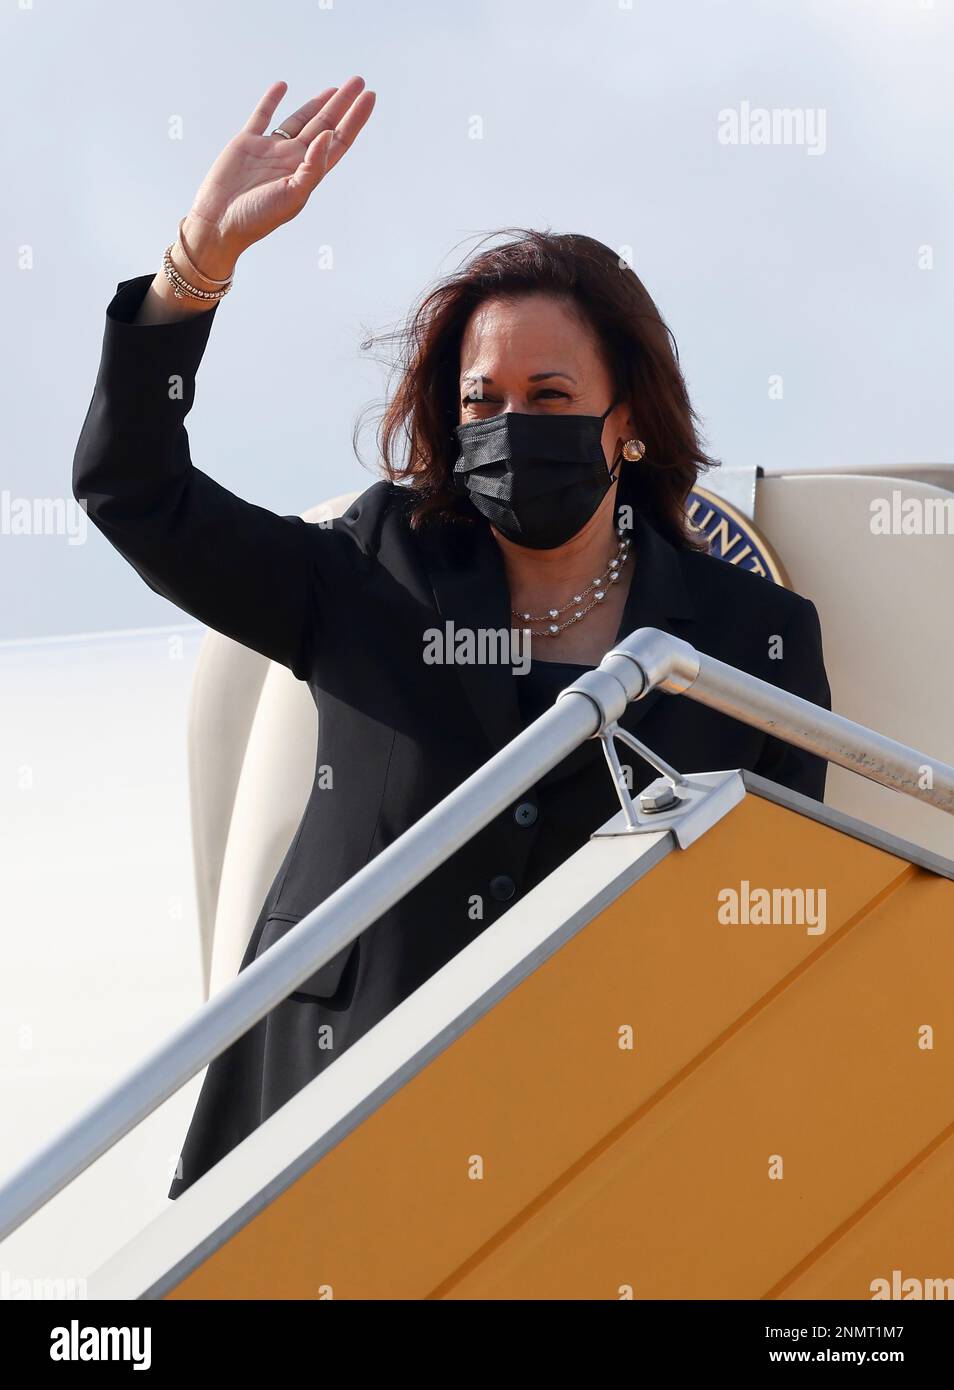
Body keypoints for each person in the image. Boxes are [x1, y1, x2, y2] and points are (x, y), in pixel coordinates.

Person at [71, 77, 831, 1200]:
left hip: (598, 1176)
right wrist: (196, 266)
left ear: (626, 426)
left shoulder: (751, 641)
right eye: (483, 401)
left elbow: (780, 930)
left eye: (550, 392)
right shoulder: (372, 568)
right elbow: (133, 490)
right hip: (325, 1143)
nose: (510, 423)